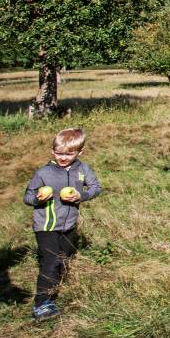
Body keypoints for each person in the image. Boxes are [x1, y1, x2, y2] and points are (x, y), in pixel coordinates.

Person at [23, 128, 102, 321]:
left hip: (69, 225)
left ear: (80, 152)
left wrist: (81, 195)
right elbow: (27, 197)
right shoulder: (43, 172)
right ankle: (41, 305)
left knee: (63, 259)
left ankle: (52, 291)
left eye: (69, 154)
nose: (63, 158)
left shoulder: (83, 169)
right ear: (53, 151)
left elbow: (96, 187)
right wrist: (39, 199)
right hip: (46, 226)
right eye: (59, 153)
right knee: (51, 261)